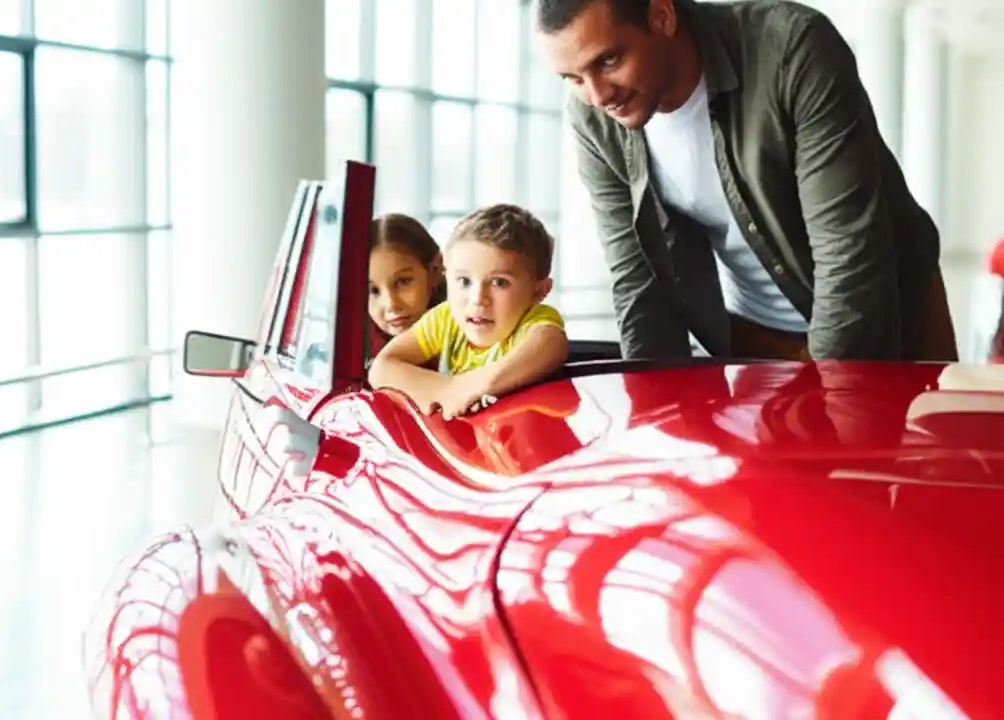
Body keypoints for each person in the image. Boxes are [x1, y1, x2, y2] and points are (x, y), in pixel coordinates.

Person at [535, 0, 958, 362]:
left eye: (609, 61)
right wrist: (654, 418)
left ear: (662, 15)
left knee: (887, 455)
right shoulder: (592, 117)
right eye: (572, 78)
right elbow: (638, 282)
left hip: (888, 317)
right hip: (748, 336)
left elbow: (848, 255)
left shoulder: (793, 49)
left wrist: (835, 402)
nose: (597, 95)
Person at [368, 204, 569, 419]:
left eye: (499, 283)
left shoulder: (531, 320)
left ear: (538, 291)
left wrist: (478, 384)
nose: (477, 299)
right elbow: (382, 367)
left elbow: (551, 342)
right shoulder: (446, 319)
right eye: (464, 281)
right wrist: (448, 389)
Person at [367, 214, 446, 341]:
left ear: (435, 271)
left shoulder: (463, 337)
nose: (391, 304)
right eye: (374, 291)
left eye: (403, 282)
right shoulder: (356, 344)